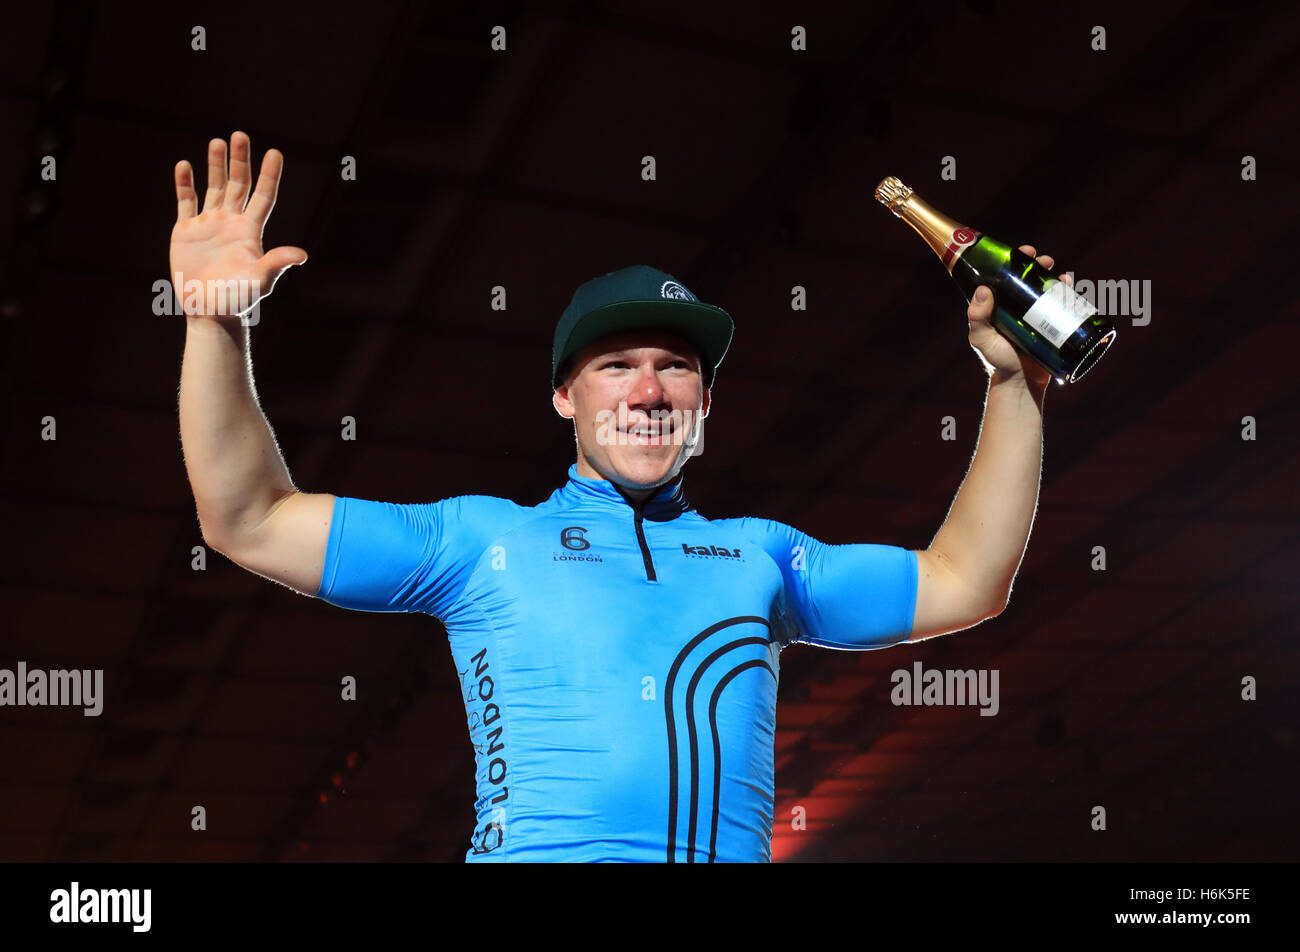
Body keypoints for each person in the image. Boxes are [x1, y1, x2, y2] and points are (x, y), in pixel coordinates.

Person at [173, 132, 1055, 862]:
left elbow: (966, 579)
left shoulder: (765, 556)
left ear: (705, 403)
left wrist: (1014, 388)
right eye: (615, 366)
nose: (647, 391)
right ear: (566, 397)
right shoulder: (480, 540)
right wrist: (216, 323)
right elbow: (247, 516)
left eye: (676, 367)